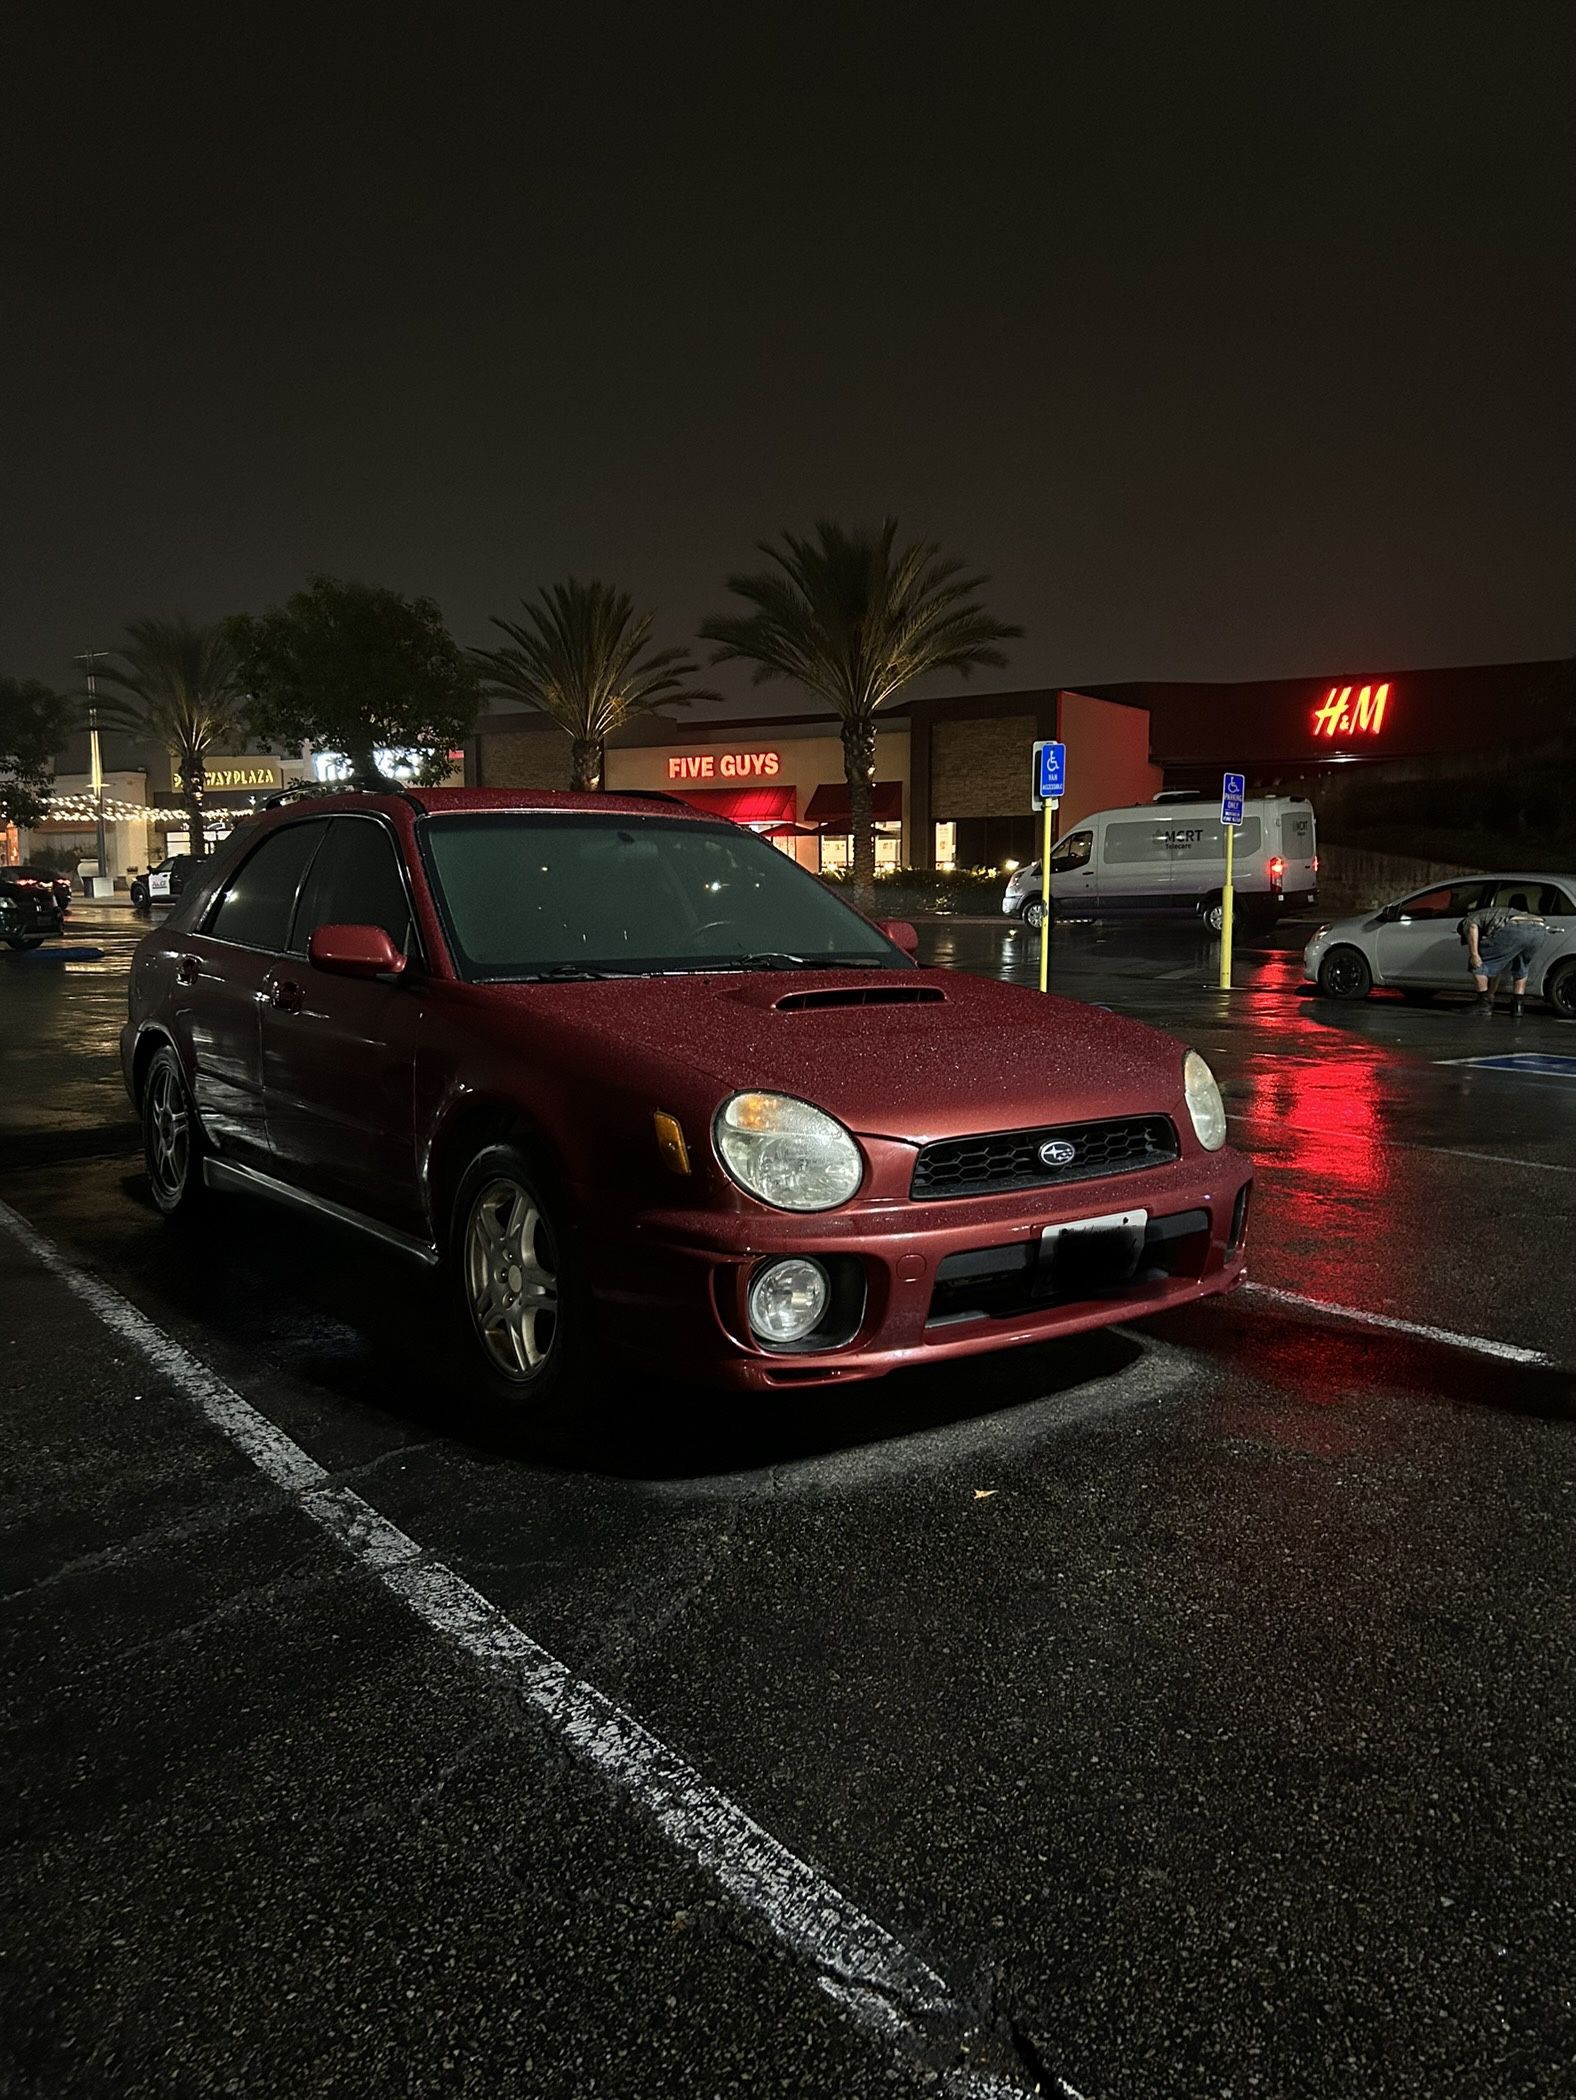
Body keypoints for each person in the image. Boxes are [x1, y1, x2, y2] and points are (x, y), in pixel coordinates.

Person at [1462, 892, 1550, 1015]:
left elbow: (1472, 929)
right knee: (1521, 965)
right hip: (1540, 929)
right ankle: (1518, 1006)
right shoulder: (1500, 912)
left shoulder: (1469, 919)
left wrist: (1474, 954)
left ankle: (1483, 1004)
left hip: (1515, 927)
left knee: (1479, 963)